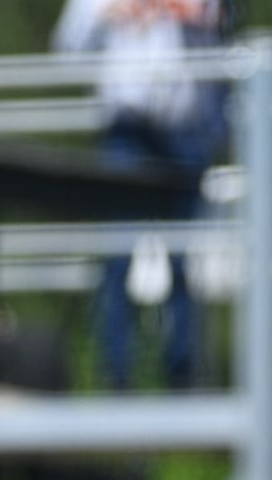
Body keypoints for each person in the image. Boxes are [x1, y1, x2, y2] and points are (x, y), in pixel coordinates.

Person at [53, 0, 231, 390]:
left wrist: (189, 12)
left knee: (183, 259)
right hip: (126, 131)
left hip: (185, 131)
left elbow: (222, 25)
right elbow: (66, 48)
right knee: (117, 254)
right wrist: (112, 12)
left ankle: (182, 377)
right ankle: (115, 377)